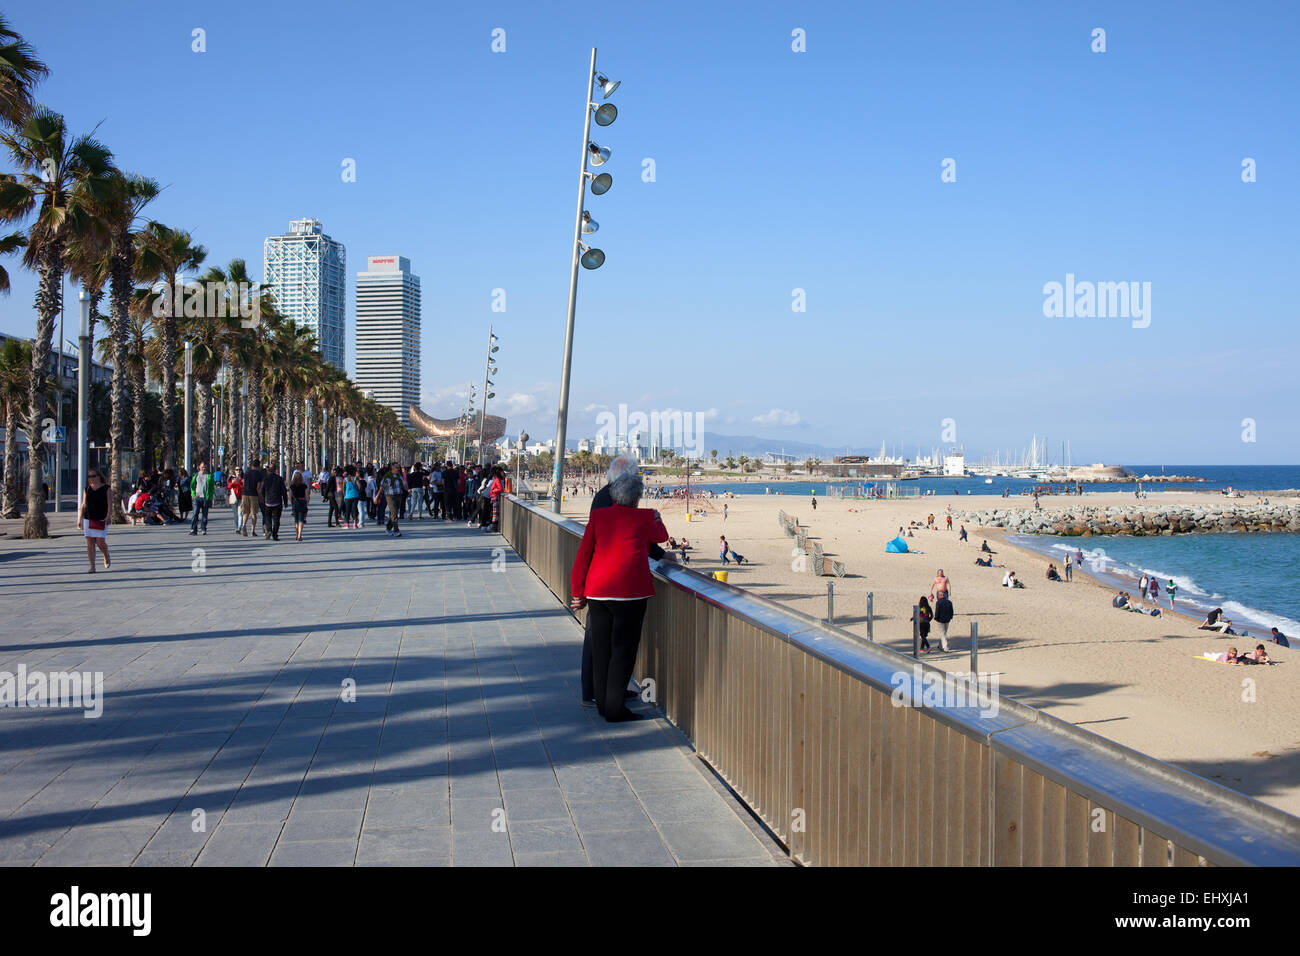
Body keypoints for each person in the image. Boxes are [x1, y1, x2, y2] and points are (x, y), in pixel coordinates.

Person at [570, 464, 669, 721]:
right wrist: (657, 516)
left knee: (602, 650)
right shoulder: (644, 516)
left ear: (614, 495)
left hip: (598, 592)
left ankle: (603, 703)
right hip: (630, 594)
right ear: (636, 498)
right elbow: (661, 537)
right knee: (623, 651)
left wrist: (577, 593)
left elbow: (583, 557)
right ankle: (614, 710)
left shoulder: (599, 517)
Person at [77, 468, 112, 573]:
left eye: (93, 476)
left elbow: (110, 504)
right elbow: (83, 504)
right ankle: (92, 566)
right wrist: (80, 518)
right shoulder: (86, 489)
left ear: (99, 476)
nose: (91, 478)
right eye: (89, 476)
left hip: (101, 517)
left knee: (100, 541)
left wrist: (108, 516)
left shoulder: (106, 488)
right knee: (90, 543)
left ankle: (106, 554)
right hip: (89, 517)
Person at [260, 465, 288, 541]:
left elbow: (261, 490)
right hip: (277, 502)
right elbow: (284, 491)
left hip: (268, 502)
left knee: (267, 517)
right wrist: (285, 502)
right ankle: (275, 534)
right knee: (276, 519)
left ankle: (269, 530)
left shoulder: (265, 479)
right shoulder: (279, 479)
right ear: (275, 470)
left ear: (269, 470)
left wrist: (263, 499)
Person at [188, 462, 214, 536]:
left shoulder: (209, 476)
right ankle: (193, 529)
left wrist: (210, 496)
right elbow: (192, 486)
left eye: (205, 467)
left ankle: (203, 528)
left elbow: (212, 487)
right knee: (195, 513)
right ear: (199, 467)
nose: (204, 468)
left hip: (205, 497)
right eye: (202, 467)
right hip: (197, 497)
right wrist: (193, 494)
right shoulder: (196, 475)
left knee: (205, 515)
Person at [241, 459, 264, 536]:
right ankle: (252, 530)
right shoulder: (259, 474)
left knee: (245, 512)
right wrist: (260, 496)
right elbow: (258, 487)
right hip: (253, 494)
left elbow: (243, 483)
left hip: (245, 493)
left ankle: (243, 525)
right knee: (254, 513)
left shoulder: (246, 473)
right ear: (259, 465)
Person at [381, 464, 404, 537]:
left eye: (398, 467)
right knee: (394, 513)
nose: (398, 469)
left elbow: (403, 484)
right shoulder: (387, 477)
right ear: (392, 469)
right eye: (396, 467)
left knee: (394, 513)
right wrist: (376, 497)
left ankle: (388, 527)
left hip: (398, 496)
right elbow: (381, 487)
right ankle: (396, 530)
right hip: (390, 496)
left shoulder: (399, 476)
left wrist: (408, 489)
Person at [290, 469, 309, 541]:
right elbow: (307, 496)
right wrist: (307, 502)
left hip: (295, 502)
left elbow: (290, 496)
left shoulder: (292, 486)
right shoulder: (304, 486)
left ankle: (297, 533)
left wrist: (292, 502)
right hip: (302, 502)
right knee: (301, 519)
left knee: (296, 520)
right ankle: (299, 535)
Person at [228, 467, 244, 532]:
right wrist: (232, 482)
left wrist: (239, 483)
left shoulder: (243, 479)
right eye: (237, 470)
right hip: (234, 498)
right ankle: (236, 526)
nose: (238, 471)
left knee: (240, 513)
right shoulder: (232, 478)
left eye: (239, 470)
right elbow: (228, 487)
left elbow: (244, 487)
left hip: (241, 497)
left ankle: (239, 527)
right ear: (234, 471)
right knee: (235, 514)